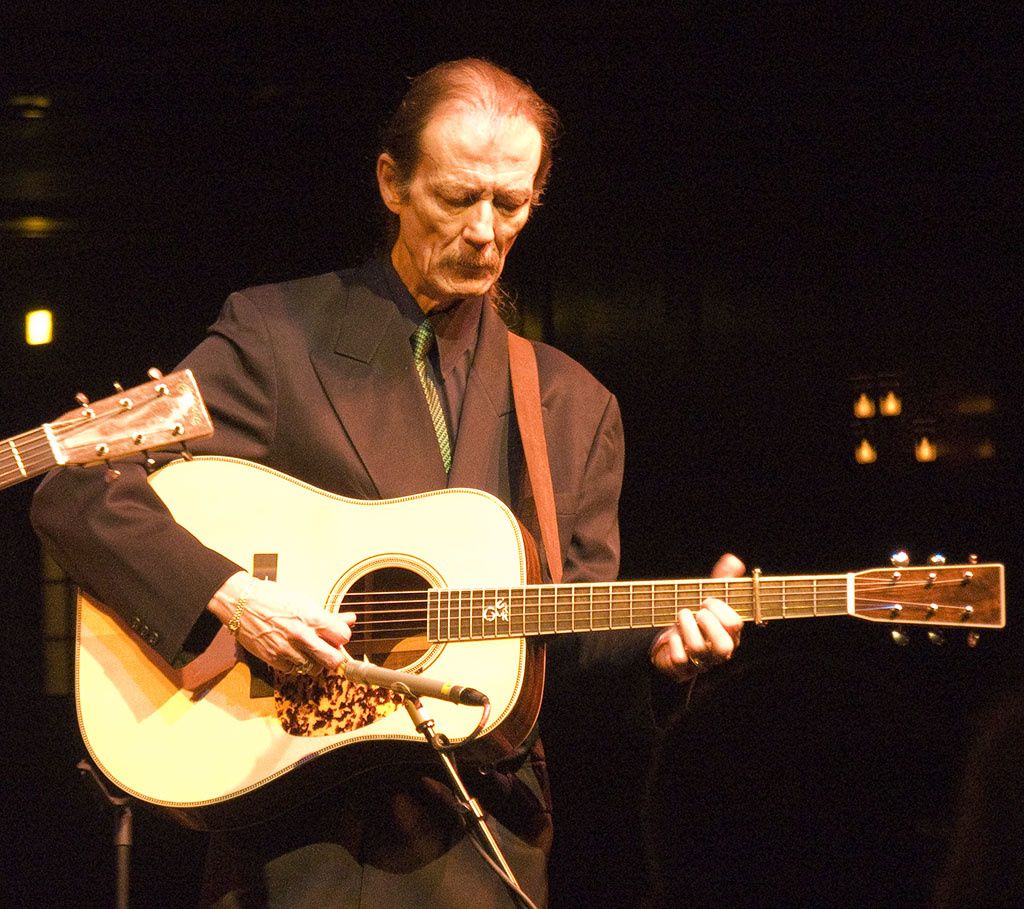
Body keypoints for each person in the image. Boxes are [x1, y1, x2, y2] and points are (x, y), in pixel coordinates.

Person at [31, 58, 743, 908]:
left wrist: (662, 656)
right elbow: (78, 486)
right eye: (458, 198)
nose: (485, 231)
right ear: (392, 183)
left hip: (480, 846)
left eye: (510, 204)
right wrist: (230, 596)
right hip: (296, 843)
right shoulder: (277, 337)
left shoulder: (574, 406)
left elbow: (569, 650)